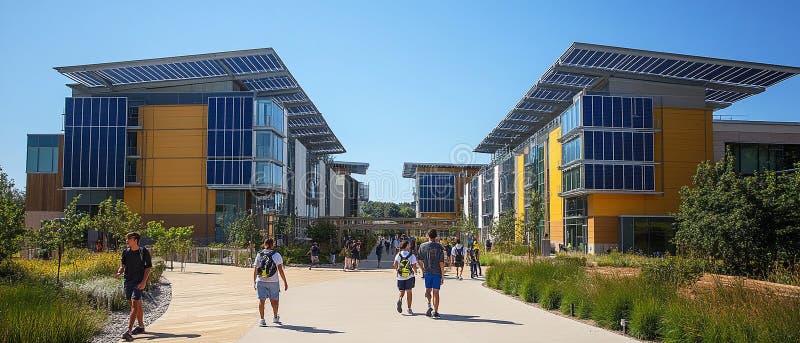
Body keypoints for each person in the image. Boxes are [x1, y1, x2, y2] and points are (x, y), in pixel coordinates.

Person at [113, 232, 153, 342]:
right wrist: (119, 272)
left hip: (139, 282)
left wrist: (144, 282)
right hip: (128, 281)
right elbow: (123, 266)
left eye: (129, 238)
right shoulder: (125, 252)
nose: (127, 240)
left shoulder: (143, 251)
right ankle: (141, 327)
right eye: (126, 238)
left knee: (135, 304)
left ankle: (129, 331)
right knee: (135, 304)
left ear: (135, 240)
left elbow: (148, 268)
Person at [253, 238, 288, 326]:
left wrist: (254, 281)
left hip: (260, 281)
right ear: (272, 245)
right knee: (275, 301)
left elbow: (256, 269)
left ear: (264, 244)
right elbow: (280, 269)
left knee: (262, 301)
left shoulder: (259, 254)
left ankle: (262, 320)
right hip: (273, 281)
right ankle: (275, 317)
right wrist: (285, 282)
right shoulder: (276, 255)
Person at [418, 229, 445, 319]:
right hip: (437, 272)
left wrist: (423, 269)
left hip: (427, 272)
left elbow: (419, 260)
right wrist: (442, 275)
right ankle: (436, 312)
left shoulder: (422, 246)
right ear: (436, 236)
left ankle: (429, 305)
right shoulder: (439, 247)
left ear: (428, 236)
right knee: (436, 292)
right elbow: (441, 262)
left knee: (427, 290)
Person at [393, 241, 420, 315]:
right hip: (409, 276)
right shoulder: (411, 255)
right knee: (409, 292)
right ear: (407, 246)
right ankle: (409, 309)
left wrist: (398, 270)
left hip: (400, 276)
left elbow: (395, 265)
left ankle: (400, 299)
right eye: (409, 245)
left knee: (401, 291)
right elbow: (414, 266)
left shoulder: (398, 254)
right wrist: (416, 271)